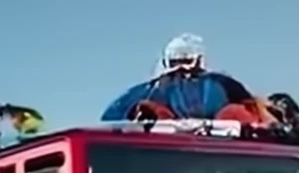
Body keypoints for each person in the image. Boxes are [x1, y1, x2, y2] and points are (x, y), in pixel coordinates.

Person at [100, 33, 258, 122]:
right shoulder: (152, 89)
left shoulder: (220, 82)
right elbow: (114, 117)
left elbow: (112, 116)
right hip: (169, 139)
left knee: (235, 112)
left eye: (186, 60)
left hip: (219, 138)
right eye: (177, 61)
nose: (181, 68)